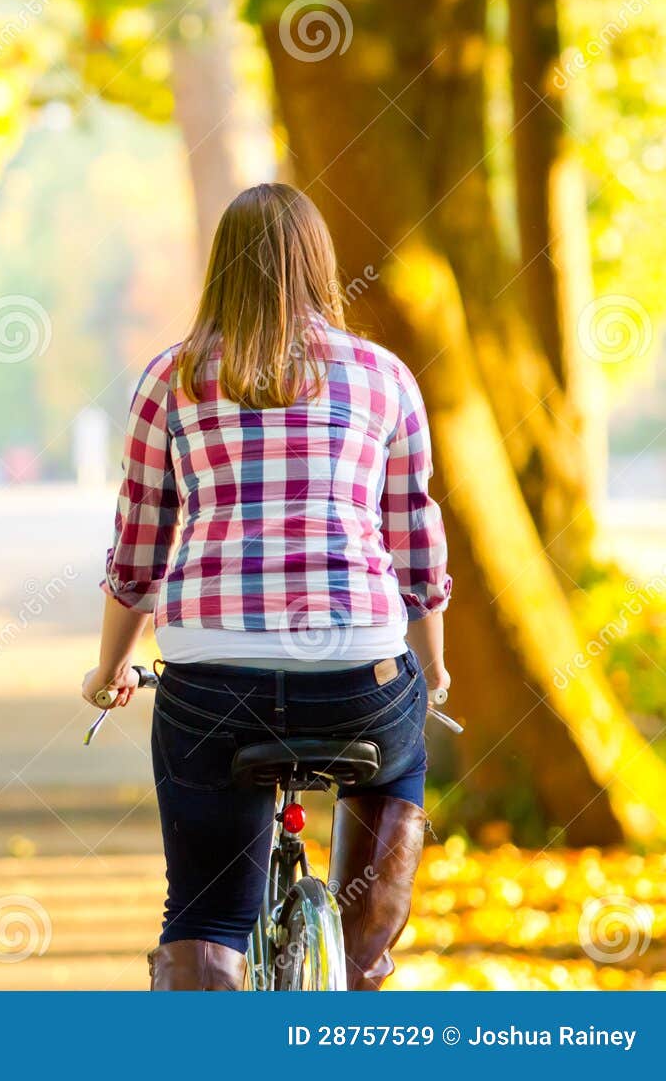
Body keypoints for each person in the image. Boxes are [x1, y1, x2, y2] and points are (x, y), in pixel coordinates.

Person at [83, 183, 450, 991]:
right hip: (361, 673)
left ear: (223, 270)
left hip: (213, 679)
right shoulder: (385, 377)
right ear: (321, 267)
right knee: (398, 767)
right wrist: (434, 664)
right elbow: (416, 547)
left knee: (206, 912)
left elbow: (138, 550)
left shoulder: (168, 379)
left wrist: (110, 666)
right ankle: (356, 965)